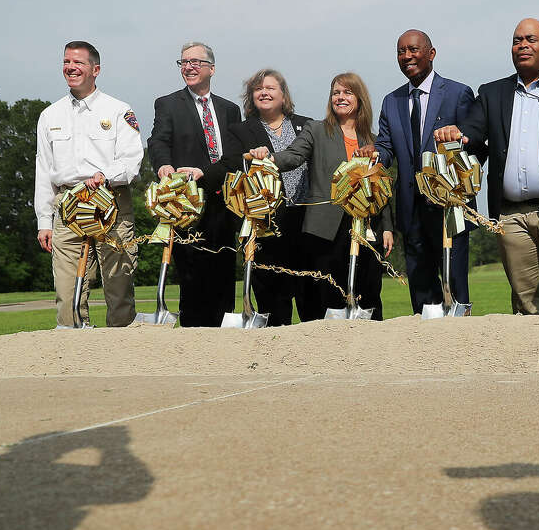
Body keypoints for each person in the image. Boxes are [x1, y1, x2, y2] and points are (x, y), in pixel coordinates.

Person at [435, 18, 539, 315]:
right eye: (516, 40)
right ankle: (531, 363)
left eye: (530, 39)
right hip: (510, 217)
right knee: (526, 306)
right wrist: (457, 135)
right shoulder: (491, 93)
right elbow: (471, 133)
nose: (522, 45)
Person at [34, 40, 143, 328]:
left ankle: (120, 354)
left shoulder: (119, 110)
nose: (71, 68)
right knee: (67, 290)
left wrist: (106, 176)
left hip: (111, 203)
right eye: (67, 62)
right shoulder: (49, 115)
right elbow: (43, 171)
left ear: (95, 69)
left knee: (118, 287)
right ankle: (73, 352)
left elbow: (132, 160)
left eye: (78, 63)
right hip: (67, 207)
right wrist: (44, 220)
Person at [271, 73, 394, 319]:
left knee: (369, 292)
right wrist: (269, 159)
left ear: (359, 98)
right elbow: (294, 155)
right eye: (336, 92)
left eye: (347, 92)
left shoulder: (373, 140)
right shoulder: (315, 129)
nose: (340, 97)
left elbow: (382, 187)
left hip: (366, 227)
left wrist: (388, 227)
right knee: (328, 296)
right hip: (325, 229)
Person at [371, 30, 475, 314]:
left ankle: (462, 344)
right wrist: (374, 155)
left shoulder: (457, 93)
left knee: (454, 285)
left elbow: (475, 143)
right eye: (401, 51)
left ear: (431, 53)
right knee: (421, 292)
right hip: (411, 209)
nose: (407, 56)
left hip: (449, 208)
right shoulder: (391, 101)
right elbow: (385, 147)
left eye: (413, 50)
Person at [148, 41, 243, 327]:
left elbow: (234, 156)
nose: (188, 67)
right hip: (186, 203)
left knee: (224, 274)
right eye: (183, 62)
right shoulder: (168, 104)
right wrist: (163, 165)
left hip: (223, 205)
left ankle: (223, 339)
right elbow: (158, 140)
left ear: (211, 68)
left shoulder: (230, 109)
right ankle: (193, 338)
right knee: (192, 276)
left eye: (195, 62)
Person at [221, 70, 314, 325]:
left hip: (305, 222)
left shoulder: (306, 125)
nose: (264, 92)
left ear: (283, 95)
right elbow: (231, 168)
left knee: (311, 296)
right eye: (258, 89)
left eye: (271, 88)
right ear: (251, 97)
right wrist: (250, 158)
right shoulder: (239, 131)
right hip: (267, 225)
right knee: (273, 298)